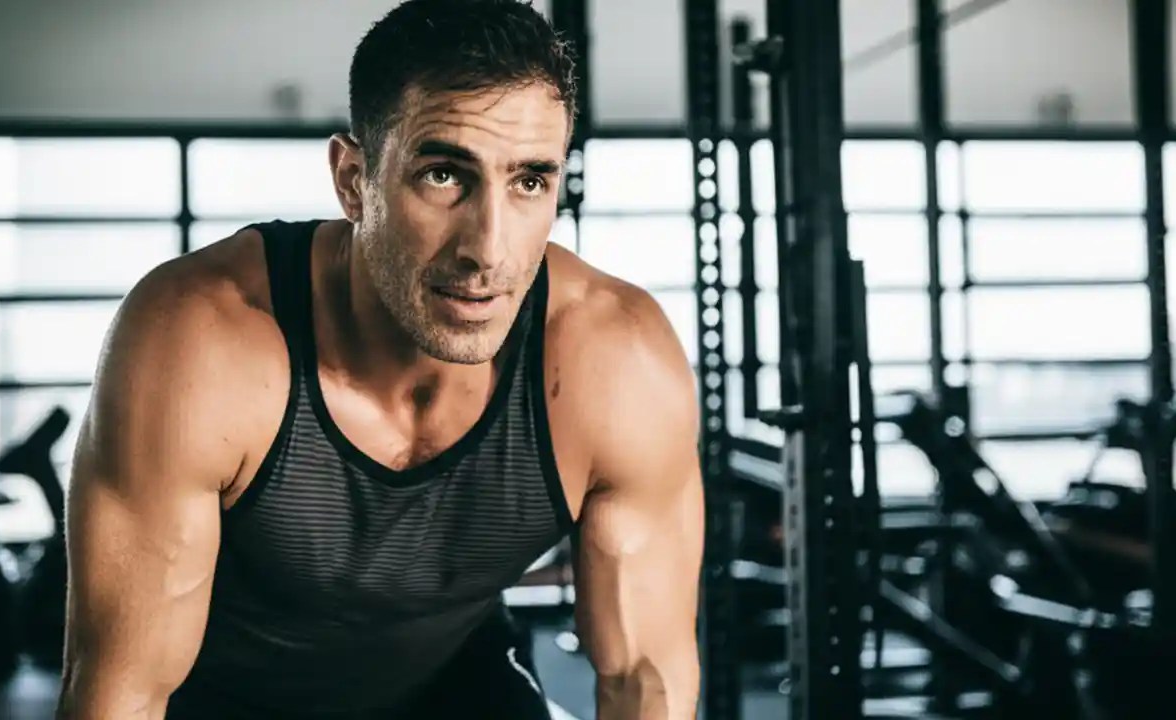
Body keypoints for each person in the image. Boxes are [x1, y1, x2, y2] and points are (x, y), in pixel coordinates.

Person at [56, 1, 704, 718]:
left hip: (454, 692)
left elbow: (645, 679)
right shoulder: (202, 341)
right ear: (353, 180)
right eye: (444, 175)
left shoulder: (615, 360)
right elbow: (123, 693)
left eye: (529, 182)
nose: (488, 250)